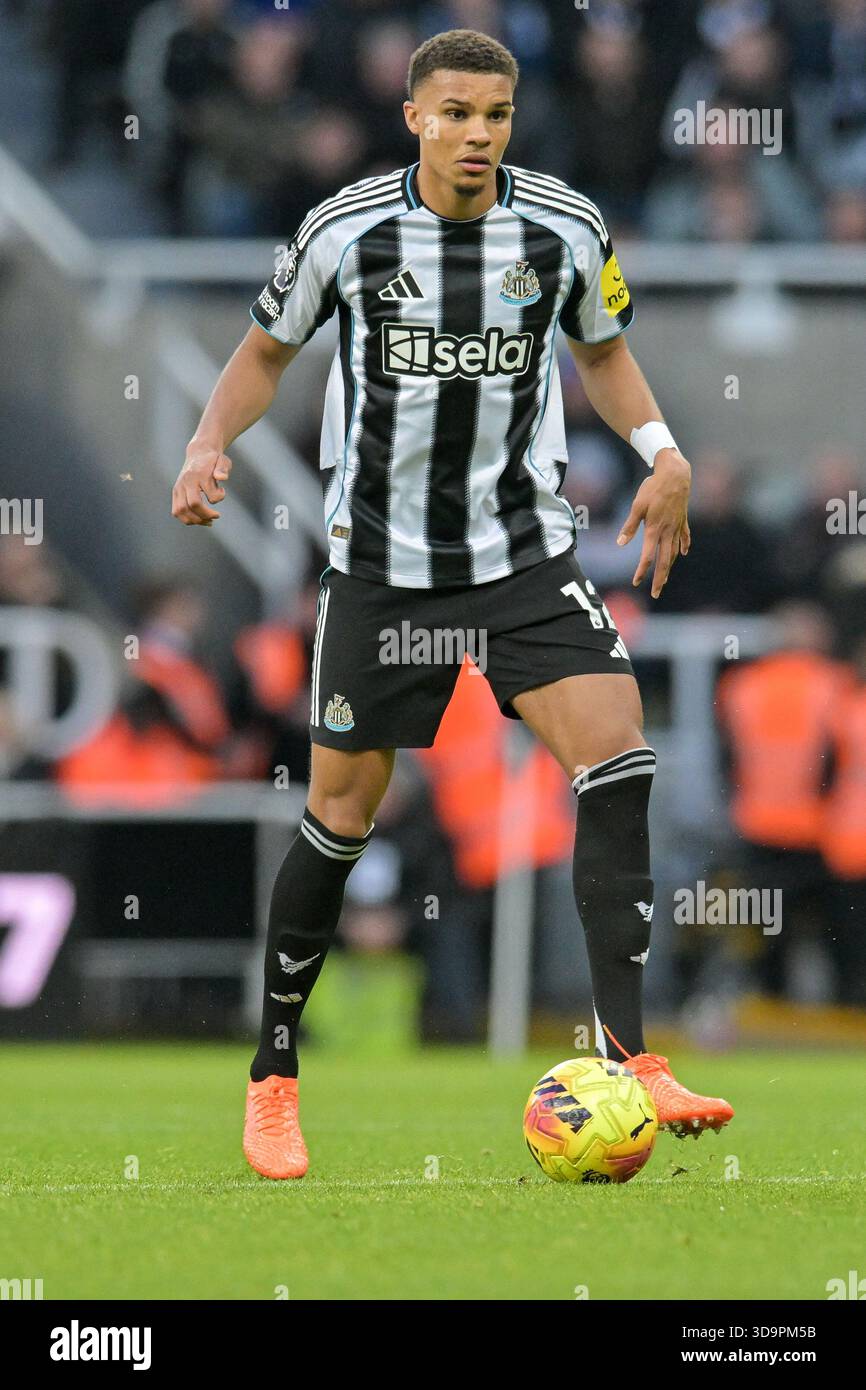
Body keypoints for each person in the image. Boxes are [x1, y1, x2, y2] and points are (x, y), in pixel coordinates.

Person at [171, 27, 733, 1180]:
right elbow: (265, 353)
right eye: (457, 113)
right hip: (382, 567)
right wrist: (203, 444)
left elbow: (604, 354)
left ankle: (630, 1057)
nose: (478, 134)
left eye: (497, 114)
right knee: (340, 813)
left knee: (618, 759)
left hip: (521, 555)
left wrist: (662, 450)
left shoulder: (564, 226)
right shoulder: (346, 228)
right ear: (416, 117)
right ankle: (273, 1077)